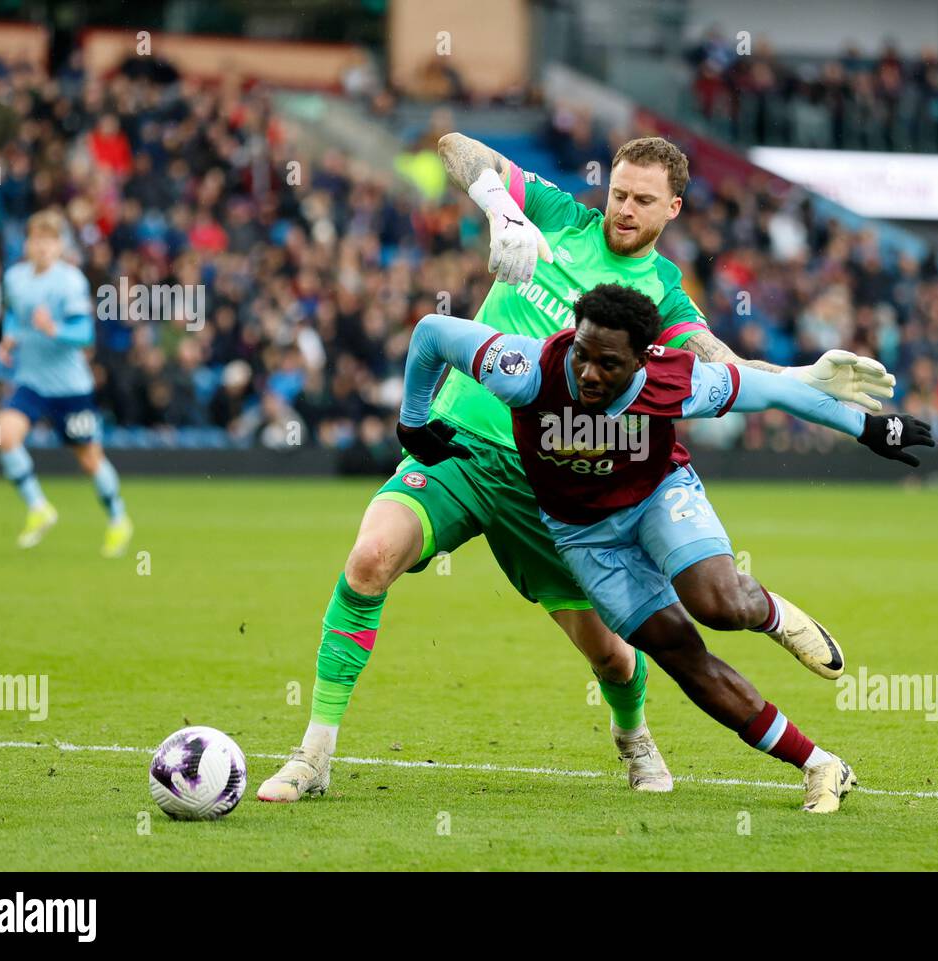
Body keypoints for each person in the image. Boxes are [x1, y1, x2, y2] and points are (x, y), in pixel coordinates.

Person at [257, 135, 895, 802]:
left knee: (613, 655)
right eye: (619, 192)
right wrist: (501, 206)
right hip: (459, 448)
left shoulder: (664, 301)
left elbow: (718, 365)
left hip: (557, 485)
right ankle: (313, 756)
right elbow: (454, 147)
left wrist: (800, 377)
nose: (624, 208)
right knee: (368, 560)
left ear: (673, 208)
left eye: (643, 200)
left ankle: (635, 738)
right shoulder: (558, 218)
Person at [395, 284, 933, 812]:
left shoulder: (677, 380)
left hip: (658, 496)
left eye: (607, 364)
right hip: (582, 534)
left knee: (718, 605)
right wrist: (413, 422)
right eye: (582, 355)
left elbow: (775, 392)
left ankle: (771, 614)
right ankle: (819, 764)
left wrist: (868, 428)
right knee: (679, 653)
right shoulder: (524, 368)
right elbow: (431, 333)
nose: (587, 373)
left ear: (639, 360)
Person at [0, 209, 133, 557]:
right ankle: (39, 507)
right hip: (32, 381)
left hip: (71, 388)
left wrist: (53, 329)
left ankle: (118, 519)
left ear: (59, 246)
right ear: (27, 243)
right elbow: (13, 314)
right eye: (35, 239)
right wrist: (9, 338)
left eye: (48, 240)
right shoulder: (15, 278)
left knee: (88, 460)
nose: (41, 246)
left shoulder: (70, 281)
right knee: (2, 434)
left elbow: (84, 334)